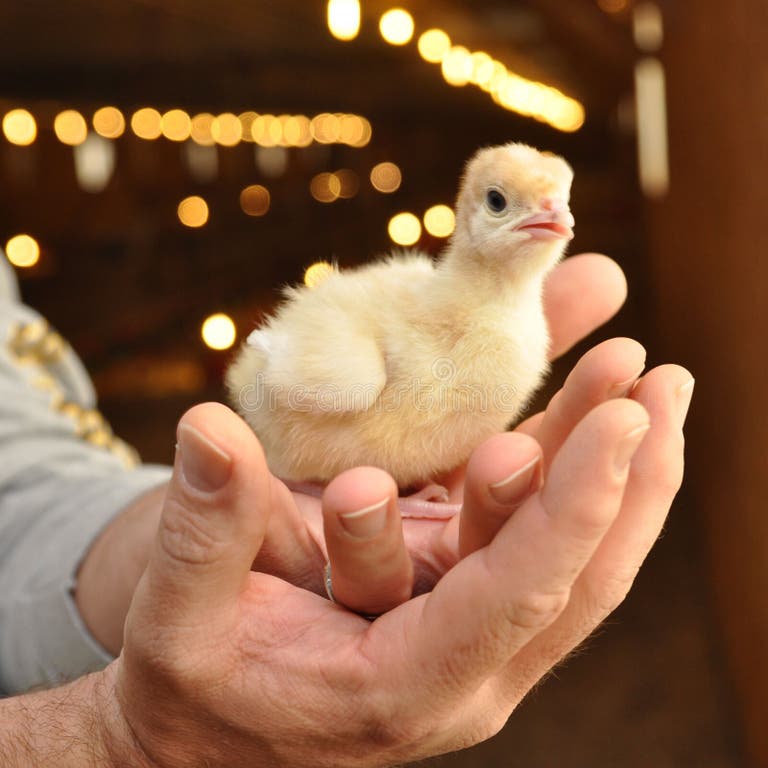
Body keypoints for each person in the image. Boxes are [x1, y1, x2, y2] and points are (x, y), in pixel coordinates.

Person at [0, 251, 692, 766]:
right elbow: (279, 373)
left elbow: (15, 453)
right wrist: (108, 738)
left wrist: (157, 553)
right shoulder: (388, 340)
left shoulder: (468, 330)